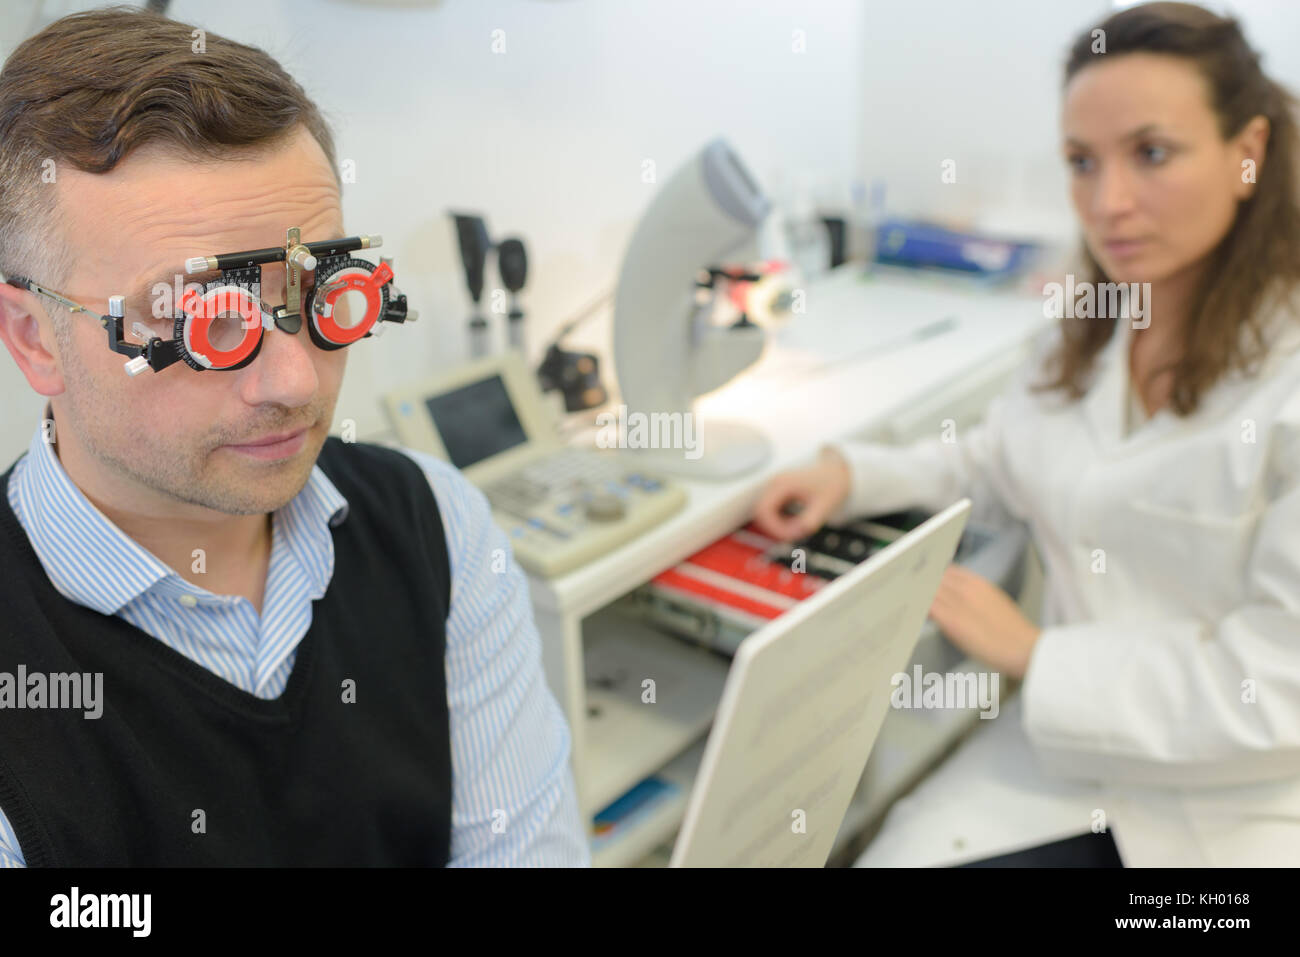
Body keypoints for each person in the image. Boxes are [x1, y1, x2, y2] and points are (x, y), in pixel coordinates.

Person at [0, 7, 588, 866]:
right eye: (207, 321)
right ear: (33, 337)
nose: (294, 383)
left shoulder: (437, 529)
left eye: (321, 295)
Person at [754, 2, 1300, 867]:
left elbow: (1280, 691)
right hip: (1064, 767)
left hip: (1239, 819)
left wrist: (1035, 654)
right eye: (1082, 163)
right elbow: (1000, 457)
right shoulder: (1093, 328)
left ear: (1249, 154)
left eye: (1151, 154)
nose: (1106, 202)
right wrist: (848, 474)